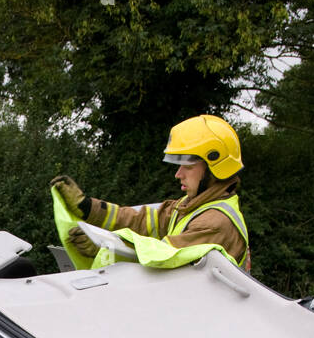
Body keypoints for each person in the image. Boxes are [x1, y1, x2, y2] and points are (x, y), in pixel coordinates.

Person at [53, 114, 250, 268]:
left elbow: (165, 257)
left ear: (214, 168)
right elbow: (141, 220)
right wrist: (88, 208)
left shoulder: (216, 222)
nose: (178, 174)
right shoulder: (188, 207)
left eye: (187, 166)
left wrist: (106, 247)